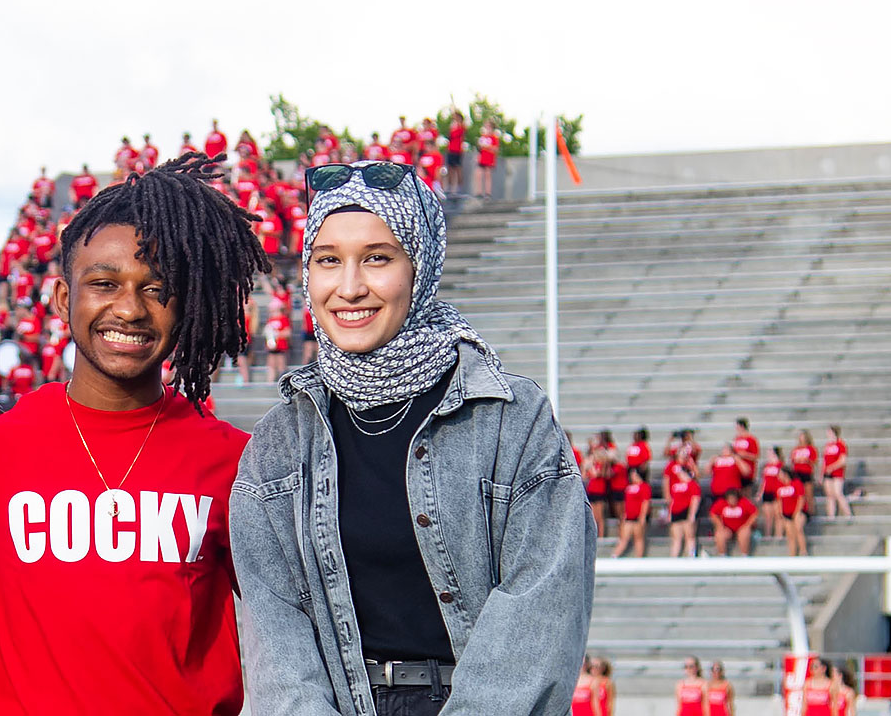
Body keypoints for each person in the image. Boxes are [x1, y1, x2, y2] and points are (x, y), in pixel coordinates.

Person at [231, 160, 594, 715]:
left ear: (419, 267)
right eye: (329, 261)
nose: (350, 288)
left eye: (377, 258)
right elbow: (276, 646)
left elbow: (541, 606)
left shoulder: (510, 420)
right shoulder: (276, 448)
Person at [0, 154, 267, 715]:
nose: (129, 308)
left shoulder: (234, 463)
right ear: (63, 298)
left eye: (156, 288)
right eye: (104, 283)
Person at [665, 453, 703, 557]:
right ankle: (674, 558)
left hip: (686, 510)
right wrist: (670, 513)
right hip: (676, 511)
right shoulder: (675, 486)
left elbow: (695, 499)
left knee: (689, 537)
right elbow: (673, 500)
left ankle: (691, 557)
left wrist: (692, 514)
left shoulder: (692, 485)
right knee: (676, 538)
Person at [613, 465, 650, 558]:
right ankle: (614, 556)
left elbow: (645, 503)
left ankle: (639, 557)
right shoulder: (629, 487)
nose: (632, 476)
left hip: (638, 517)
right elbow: (627, 502)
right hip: (629, 517)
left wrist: (643, 517)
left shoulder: (644, 487)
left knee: (638, 539)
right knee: (624, 538)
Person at [710, 489, 756, 556]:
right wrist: (719, 525)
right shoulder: (721, 503)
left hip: (741, 527)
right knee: (719, 534)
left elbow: (754, 513)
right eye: (730, 499)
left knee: (744, 533)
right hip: (727, 528)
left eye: (734, 499)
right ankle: (722, 555)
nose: (732, 501)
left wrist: (747, 525)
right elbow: (713, 513)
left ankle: (744, 555)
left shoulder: (744, 502)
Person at [820, 425, 854, 517]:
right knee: (830, 495)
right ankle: (831, 515)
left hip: (837, 472)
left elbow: (843, 460)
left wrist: (832, 467)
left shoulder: (840, 444)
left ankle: (848, 514)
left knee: (838, 493)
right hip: (827, 472)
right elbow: (824, 461)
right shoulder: (827, 446)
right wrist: (822, 474)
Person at [777, 464, 810, 556]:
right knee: (790, 535)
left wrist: (796, 512)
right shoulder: (779, 486)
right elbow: (779, 500)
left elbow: (801, 499)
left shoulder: (796, 483)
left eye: (780, 474)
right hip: (787, 513)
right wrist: (781, 513)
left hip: (798, 512)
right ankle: (792, 555)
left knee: (798, 529)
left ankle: (803, 551)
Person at [475, 121, 500, 199]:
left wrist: (486, 146)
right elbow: (479, 148)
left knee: (487, 175)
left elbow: (496, 149)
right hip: (482, 158)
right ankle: (479, 192)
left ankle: (488, 193)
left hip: (489, 158)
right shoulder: (483, 137)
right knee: (478, 174)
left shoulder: (494, 138)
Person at [445, 111, 466, 196]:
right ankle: (450, 187)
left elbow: (458, 134)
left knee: (457, 168)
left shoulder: (461, 127)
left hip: (457, 150)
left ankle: (459, 187)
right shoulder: (453, 127)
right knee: (450, 168)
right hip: (451, 150)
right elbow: (449, 136)